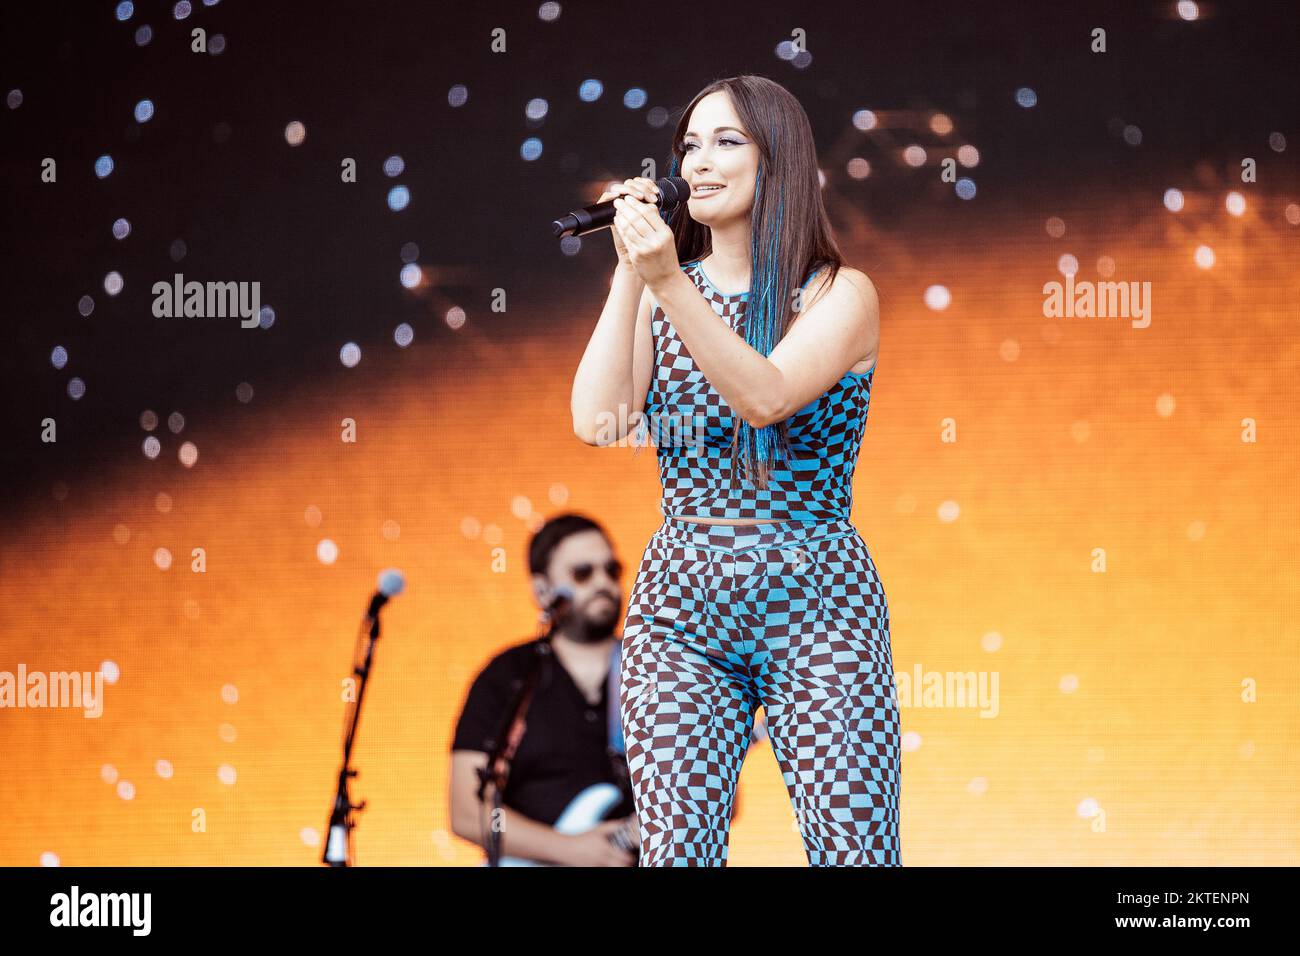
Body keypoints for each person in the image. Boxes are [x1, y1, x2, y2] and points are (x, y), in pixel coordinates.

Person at [570, 74, 900, 866]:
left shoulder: (837, 294)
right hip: (681, 609)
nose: (700, 162)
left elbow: (765, 395)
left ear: (777, 159)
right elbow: (597, 421)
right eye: (689, 145)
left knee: (852, 850)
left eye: (726, 142)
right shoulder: (658, 290)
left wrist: (664, 279)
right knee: (675, 853)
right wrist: (629, 267)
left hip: (817, 605)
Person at [448, 513, 640, 866]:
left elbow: (719, 803)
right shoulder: (507, 676)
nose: (603, 583)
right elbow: (465, 810)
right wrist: (567, 849)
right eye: (583, 573)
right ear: (542, 590)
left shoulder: (655, 671)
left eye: (611, 570)